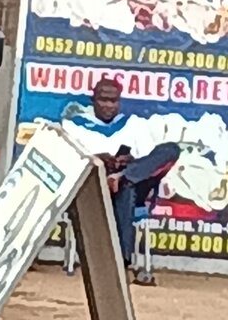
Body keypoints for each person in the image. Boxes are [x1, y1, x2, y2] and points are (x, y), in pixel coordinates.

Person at [61, 78, 180, 271]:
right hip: (94, 186)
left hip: (128, 180)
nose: (109, 106)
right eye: (103, 100)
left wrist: (130, 162)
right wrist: (97, 160)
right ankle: (120, 262)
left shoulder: (134, 125)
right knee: (126, 188)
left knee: (170, 150)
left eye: (113, 101)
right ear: (93, 100)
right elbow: (67, 162)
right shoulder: (74, 126)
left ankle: (124, 176)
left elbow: (148, 161)